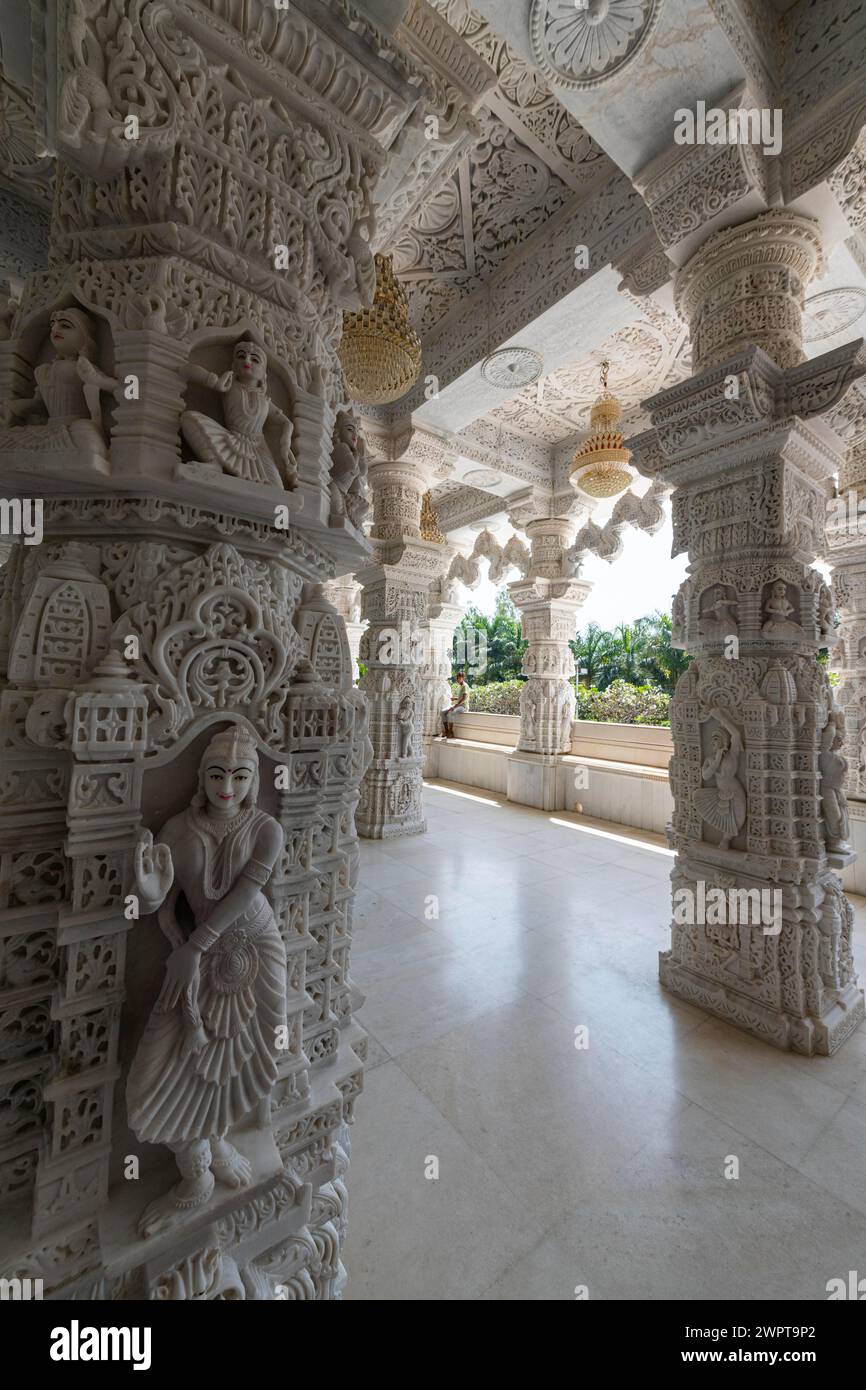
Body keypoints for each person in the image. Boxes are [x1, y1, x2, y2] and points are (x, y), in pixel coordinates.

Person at [440, 671, 468, 739]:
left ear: (463, 678)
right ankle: (446, 731)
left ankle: (451, 732)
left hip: (463, 707)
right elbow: (460, 697)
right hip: (458, 705)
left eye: (459, 678)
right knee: (443, 712)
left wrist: (456, 706)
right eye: (457, 678)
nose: (458, 680)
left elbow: (464, 698)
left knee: (451, 712)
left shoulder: (465, 686)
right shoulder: (459, 686)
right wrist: (455, 698)